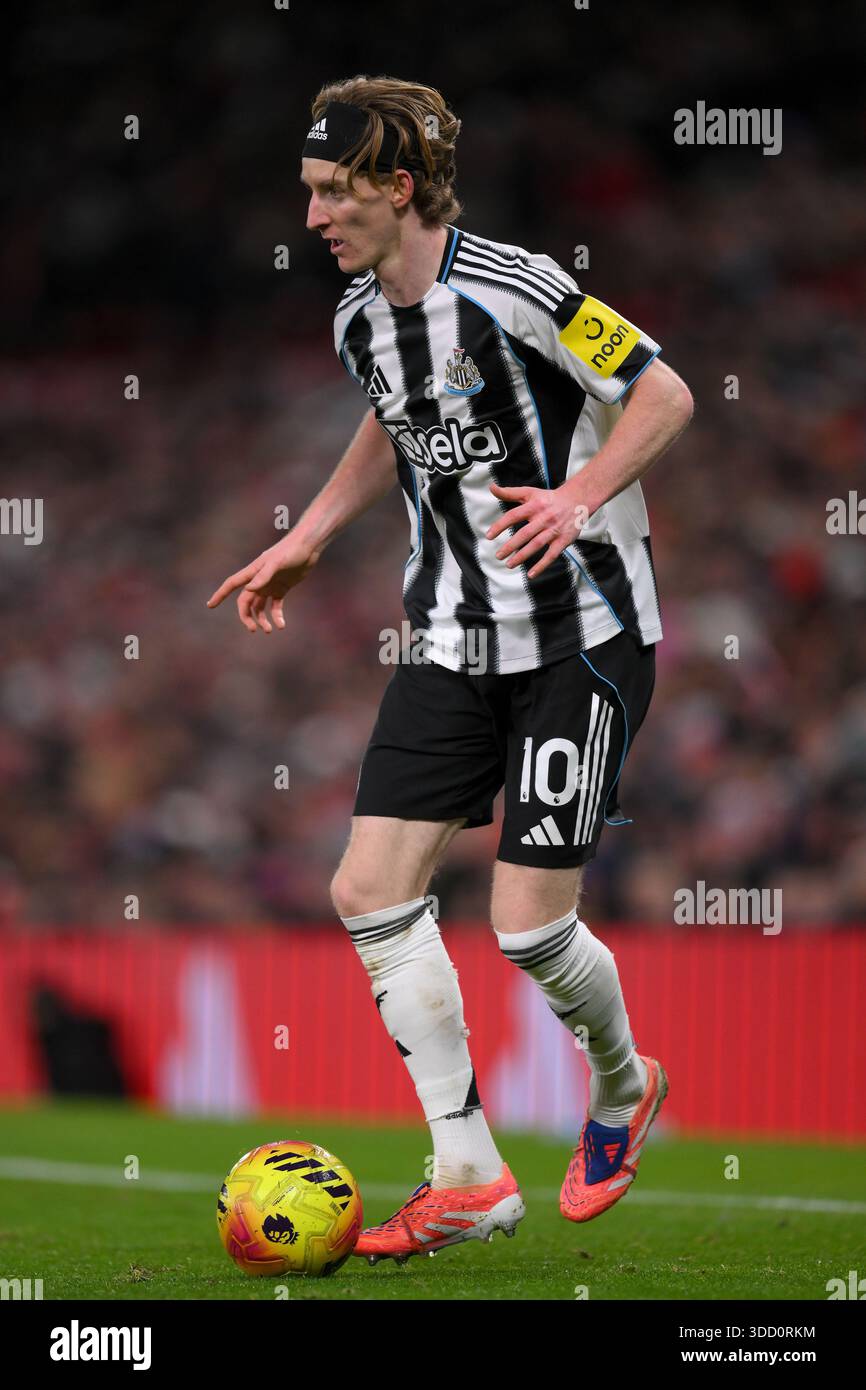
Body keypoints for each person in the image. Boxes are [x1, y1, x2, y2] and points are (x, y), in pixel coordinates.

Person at [208, 75, 694, 1266]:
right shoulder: (358, 319)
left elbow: (662, 390)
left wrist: (583, 491)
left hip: (579, 636)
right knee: (368, 890)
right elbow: (393, 415)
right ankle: (469, 1171)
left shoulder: (523, 287)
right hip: (448, 640)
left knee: (528, 930)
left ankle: (623, 1083)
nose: (314, 217)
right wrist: (311, 532)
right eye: (309, 194)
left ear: (397, 186)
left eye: (332, 193)